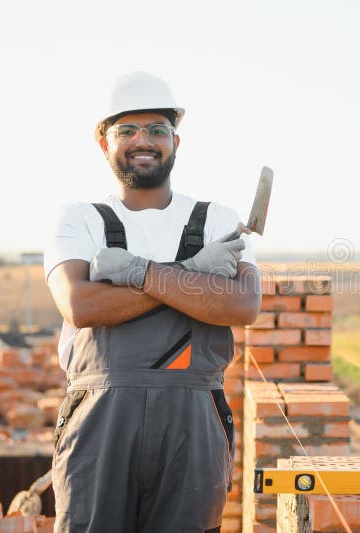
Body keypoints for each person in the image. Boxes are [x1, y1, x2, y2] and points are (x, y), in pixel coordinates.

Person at [43, 71, 261, 532]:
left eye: (157, 130)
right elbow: (81, 305)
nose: (144, 141)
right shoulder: (80, 220)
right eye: (128, 130)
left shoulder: (216, 218)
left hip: (193, 421)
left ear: (176, 142)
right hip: (100, 420)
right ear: (104, 142)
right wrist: (194, 275)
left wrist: (137, 273)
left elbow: (243, 305)